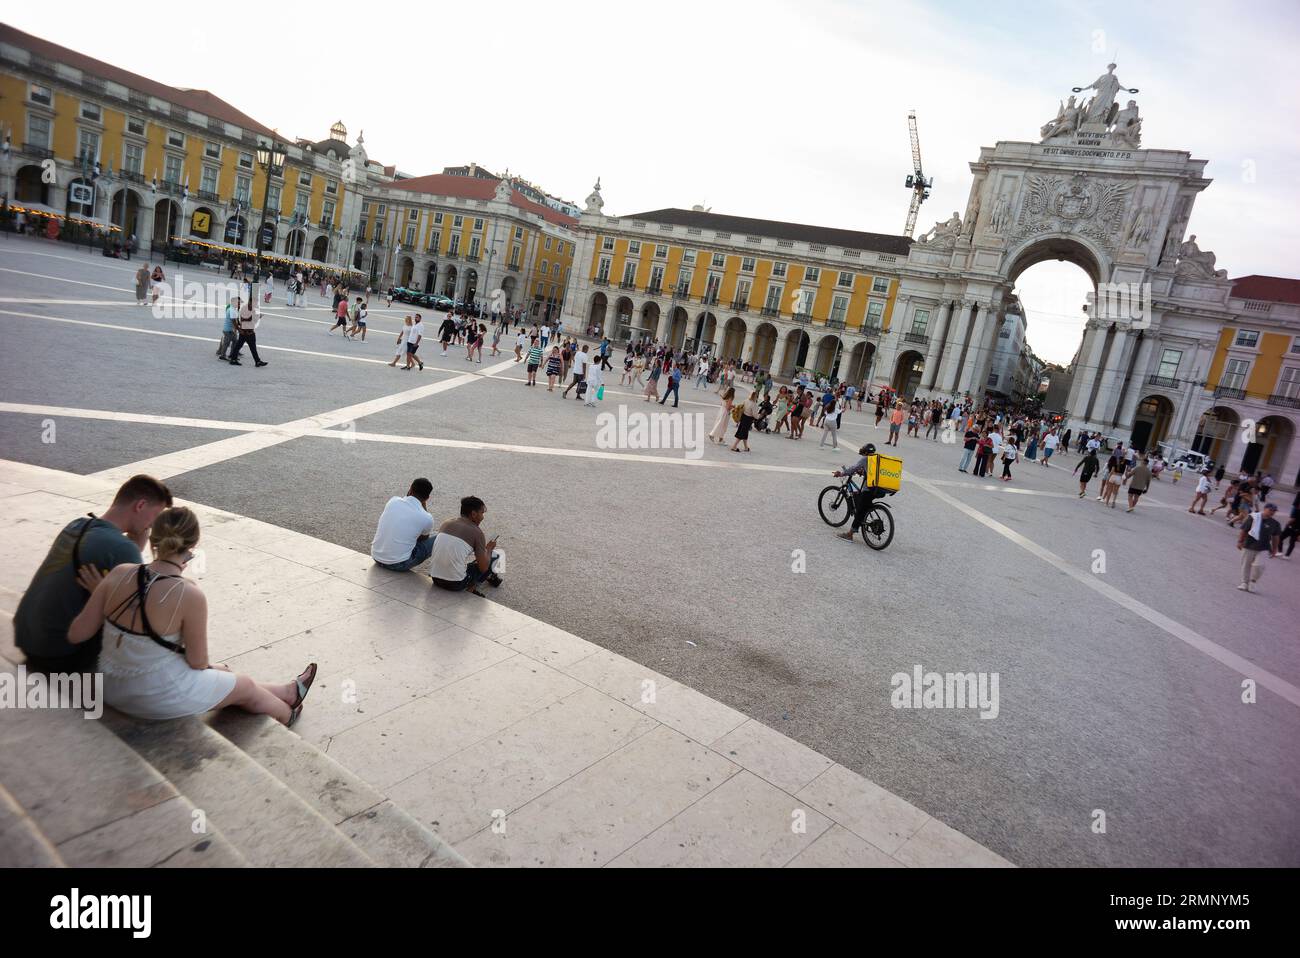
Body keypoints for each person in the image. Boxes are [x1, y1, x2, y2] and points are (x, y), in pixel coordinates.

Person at [66, 506, 317, 725]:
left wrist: (101, 594)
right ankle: (287, 714)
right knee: (245, 686)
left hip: (111, 687)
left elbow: (76, 634)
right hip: (153, 698)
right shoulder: (189, 594)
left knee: (224, 672)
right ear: (191, 547)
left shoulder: (119, 574)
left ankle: (288, 691)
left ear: (153, 538)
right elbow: (197, 662)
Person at [14, 475, 173, 675]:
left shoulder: (77, 525)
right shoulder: (121, 548)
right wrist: (105, 596)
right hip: (60, 654)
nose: (152, 526)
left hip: (27, 639)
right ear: (140, 505)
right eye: (155, 515)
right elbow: (136, 615)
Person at [428, 496, 502, 597]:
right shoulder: (477, 532)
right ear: (473, 514)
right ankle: (471, 588)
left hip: (435, 578)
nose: (483, 517)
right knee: (494, 557)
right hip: (456, 584)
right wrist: (488, 548)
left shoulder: (446, 523)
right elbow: (483, 567)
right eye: (482, 513)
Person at [371, 479, 437, 572]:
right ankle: (438, 573)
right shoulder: (427, 517)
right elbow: (423, 539)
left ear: (410, 489)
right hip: (398, 564)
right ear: (427, 498)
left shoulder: (393, 501)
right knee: (440, 537)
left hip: (376, 557)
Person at [834, 444, 889, 543]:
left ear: (865, 452)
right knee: (861, 499)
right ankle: (865, 515)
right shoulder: (877, 458)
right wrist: (863, 473)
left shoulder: (865, 459)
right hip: (879, 489)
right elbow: (873, 472)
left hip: (870, 490)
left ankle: (850, 535)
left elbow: (853, 468)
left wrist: (842, 473)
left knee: (860, 511)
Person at [1237, 502, 1282, 593]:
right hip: (1249, 545)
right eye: (1271, 510)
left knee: (1259, 566)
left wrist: (1274, 549)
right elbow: (1244, 530)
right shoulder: (1253, 517)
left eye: (1274, 511)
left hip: (1264, 547)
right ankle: (1244, 583)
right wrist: (1240, 541)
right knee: (1246, 565)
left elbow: (1276, 537)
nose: (1272, 512)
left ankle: (1253, 581)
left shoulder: (1275, 523)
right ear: (1265, 509)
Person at [228, 299, 268, 367]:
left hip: (243, 331)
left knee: (239, 346)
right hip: (249, 331)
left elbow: (241, 318)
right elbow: (251, 319)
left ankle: (233, 358)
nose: (256, 305)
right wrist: (259, 317)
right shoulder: (251, 309)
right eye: (255, 303)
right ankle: (257, 361)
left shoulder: (243, 308)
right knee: (252, 347)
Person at [217, 297, 239, 361]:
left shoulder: (232, 309)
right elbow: (233, 321)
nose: (238, 304)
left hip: (229, 330)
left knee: (234, 341)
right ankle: (222, 355)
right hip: (228, 330)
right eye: (237, 302)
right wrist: (237, 328)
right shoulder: (231, 310)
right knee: (227, 343)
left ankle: (231, 355)